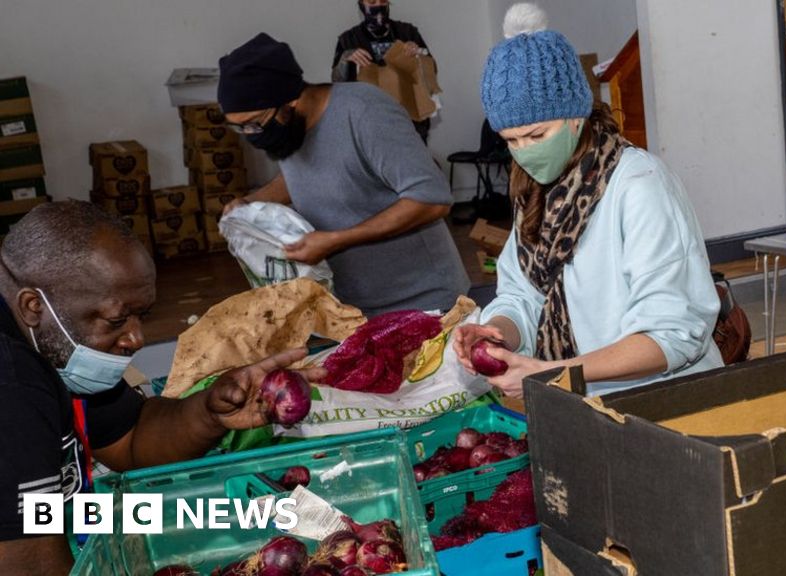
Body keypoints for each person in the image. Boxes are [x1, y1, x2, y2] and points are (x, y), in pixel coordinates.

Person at [0, 201, 325, 575]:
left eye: (142, 317)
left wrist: (209, 412)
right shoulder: (12, 385)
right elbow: (28, 565)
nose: (137, 339)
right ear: (33, 307)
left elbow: (132, 440)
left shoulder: (53, 343)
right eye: (117, 320)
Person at [452, 8, 724, 398]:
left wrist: (549, 370)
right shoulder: (536, 190)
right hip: (588, 406)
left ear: (576, 116)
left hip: (665, 399)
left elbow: (672, 333)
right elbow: (524, 295)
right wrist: (499, 333)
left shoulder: (638, 185)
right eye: (511, 141)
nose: (525, 152)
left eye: (536, 134)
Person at [218, 32, 469, 317]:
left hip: (422, 302)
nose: (251, 135)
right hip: (353, 304)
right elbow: (302, 177)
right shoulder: (289, 131)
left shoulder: (364, 112)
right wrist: (250, 202)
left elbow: (432, 200)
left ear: (291, 101)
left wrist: (337, 239)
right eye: (240, 128)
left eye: (254, 124)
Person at [331, 0, 434, 142]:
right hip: (368, 127)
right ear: (361, 4)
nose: (378, 6)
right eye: (372, 2)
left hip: (409, 124)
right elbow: (336, 83)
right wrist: (345, 58)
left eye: (383, 1)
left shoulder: (407, 32)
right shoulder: (349, 39)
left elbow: (432, 70)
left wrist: (418, 53)